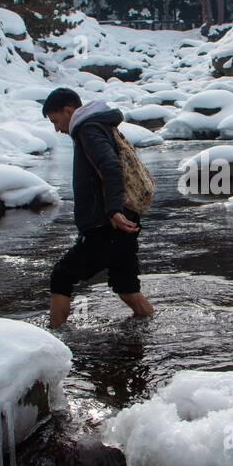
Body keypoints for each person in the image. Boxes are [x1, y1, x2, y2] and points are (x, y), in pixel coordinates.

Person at [42, 88, 155, 329]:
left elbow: (110, 166)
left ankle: (53, 341)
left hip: (107, 225)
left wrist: (113, 209)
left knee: (62, 275)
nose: (57, 128)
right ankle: (150, 329)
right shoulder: (99, 125)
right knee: (126, 288)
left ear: (68, 110)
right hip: (121, 223)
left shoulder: (88, 129)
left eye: (56, 120)